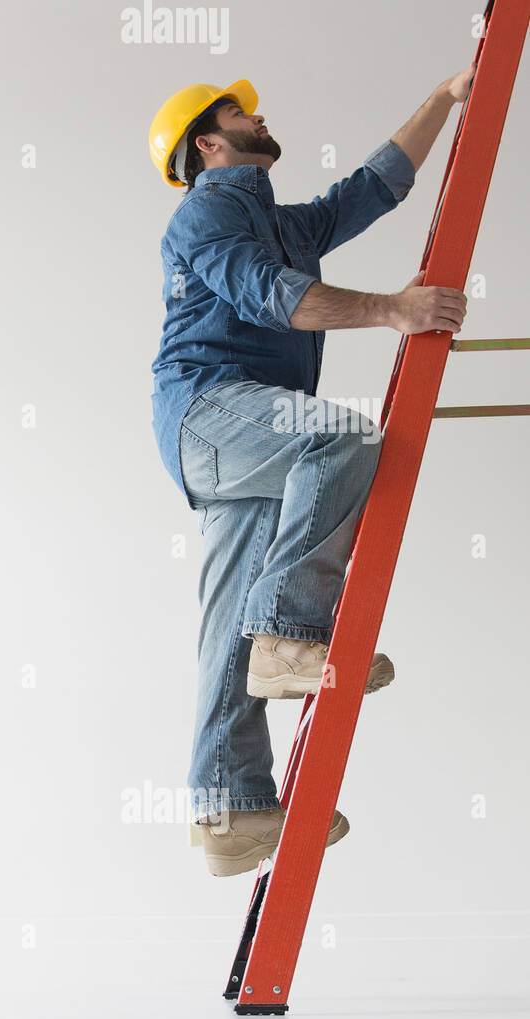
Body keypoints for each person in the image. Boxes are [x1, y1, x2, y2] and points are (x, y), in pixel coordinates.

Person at [147, 71, 472, 876]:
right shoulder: (213, 207)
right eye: (237, 111)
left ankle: (230, 810)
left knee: (230, 629)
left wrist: (444, 96)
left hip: (238, 436)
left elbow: (373, 188)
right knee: (345, 441)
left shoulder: (283, 224)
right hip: (213, 413)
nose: (258, 113)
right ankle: (291, 631)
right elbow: (270, 297)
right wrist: (394, 310)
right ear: (209, 145)